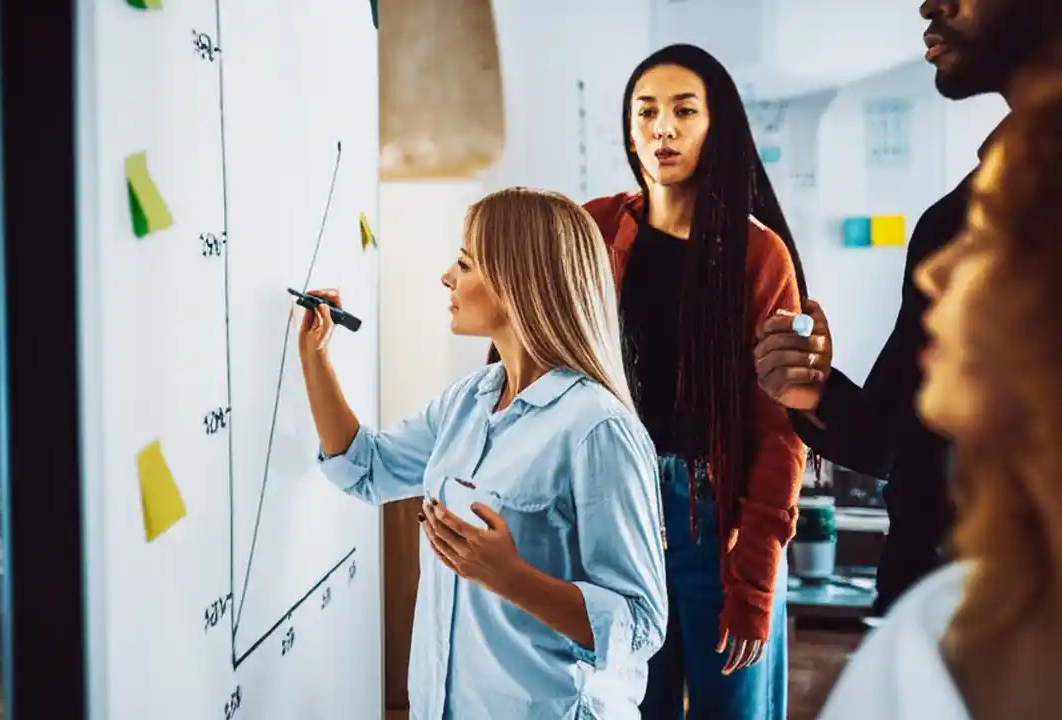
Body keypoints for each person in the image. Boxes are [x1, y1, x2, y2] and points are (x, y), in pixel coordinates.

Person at [299, 188, 668, 718]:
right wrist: (315, 357)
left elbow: (640, 623)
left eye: (465, 263)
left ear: (518, 282)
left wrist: (510, 577)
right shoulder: (467, 402)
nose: (447, 276)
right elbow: (367, 470)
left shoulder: (598, 428)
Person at [753, 0, 1055, 616]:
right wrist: (812, 391)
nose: (930, 4)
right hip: (930, 618)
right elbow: (895, 441)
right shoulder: (949, 222)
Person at [820, 67, 1062, 720]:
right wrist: (813, 389)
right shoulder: (936, 622)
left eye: (982, 238)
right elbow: (884, 437)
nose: (933, 271)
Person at [582, 44, 808, 720]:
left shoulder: (757, 254)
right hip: (613, 510)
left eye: (685, 110)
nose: (663, 128)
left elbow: (782, 427)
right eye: (646, 111)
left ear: (717, 126)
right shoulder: (592, 229)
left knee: (731, 706)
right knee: (624, 704)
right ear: (628, 129)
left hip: (717, 516)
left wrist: (759, 572)